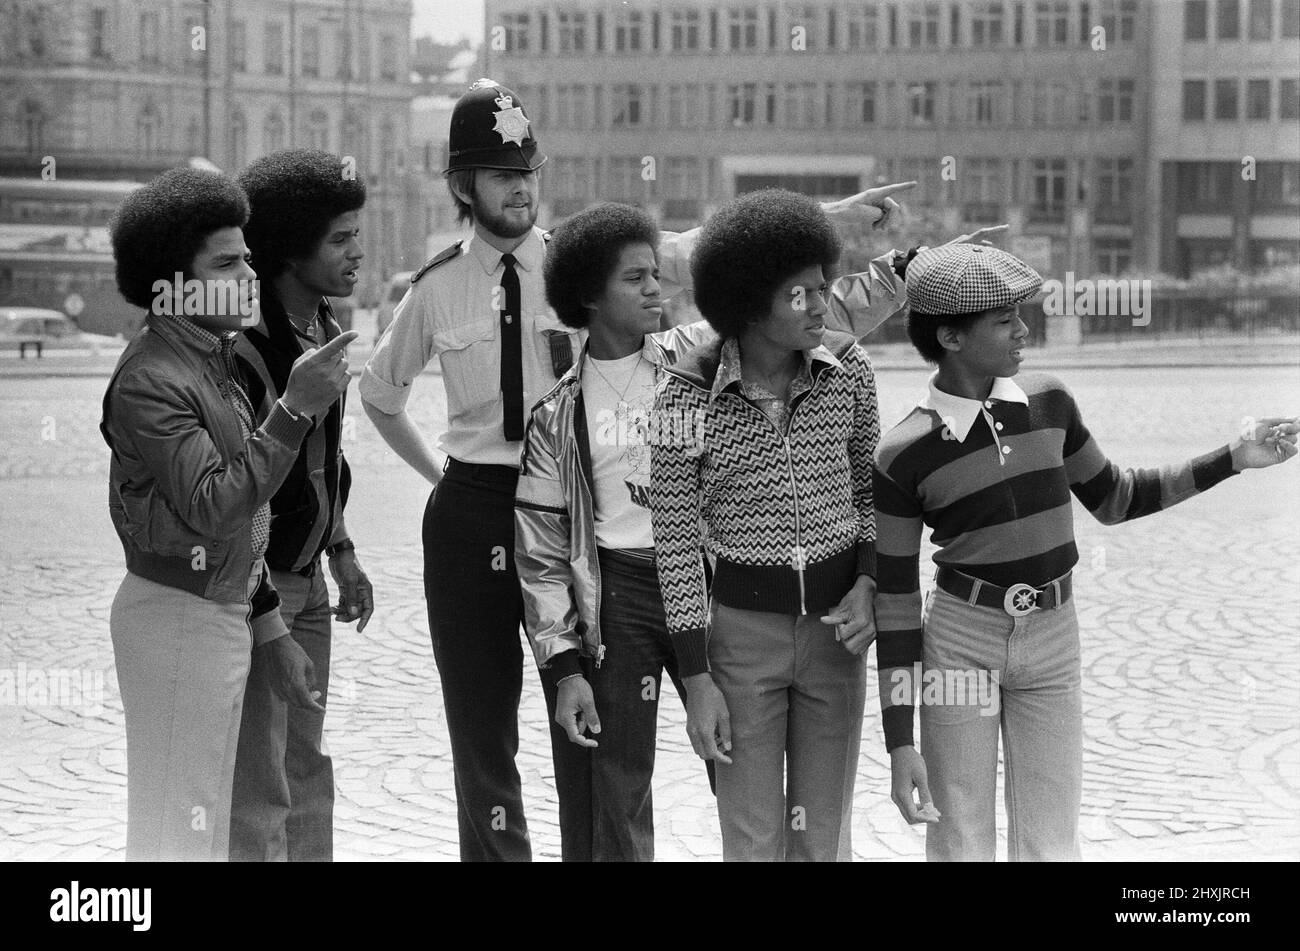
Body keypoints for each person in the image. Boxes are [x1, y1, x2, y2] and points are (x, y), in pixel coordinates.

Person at [360, 78, 915, 861]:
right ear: (463, 186)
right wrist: (443, 479)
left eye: (528, 173)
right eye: (500, 175)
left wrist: (827, 220)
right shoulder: (435, 288)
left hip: (609, 523)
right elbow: (380, 396)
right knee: (482, 726)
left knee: (611, 742)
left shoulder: (583, 267)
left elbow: (727, 271)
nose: (520, 189)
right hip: (482, 506)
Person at [872, 243, 1298, 861]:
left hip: (1053, 638)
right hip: (959, 642)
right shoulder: (903, 452)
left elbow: (1118, 497)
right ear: (951, 337)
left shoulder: (1049, 403)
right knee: (960, 834)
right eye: (1004, 320)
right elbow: (896, 599)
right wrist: (898, 740)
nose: (1025, 329)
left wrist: (1231, 458)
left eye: (1021, 313)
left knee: (1051, 842)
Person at [102, 167, 354, 861]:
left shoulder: (210, 361)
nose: (250, 271)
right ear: (174, 281)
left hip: (219, 610)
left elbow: (251, 519)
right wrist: (294, 407)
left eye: (246, 255)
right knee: (176, 830)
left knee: (204, 823)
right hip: (177, 614)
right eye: (228, 261)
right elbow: (215, 505)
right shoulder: (155, 376)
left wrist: (271, 628)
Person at [648, 189, 883, 862]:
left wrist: (867, 583)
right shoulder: (681, 399)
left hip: (836, 640)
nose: (819, 306)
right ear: (749, 302)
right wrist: (696, 682)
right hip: (740, 650)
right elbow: (673, 545)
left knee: (820, 842)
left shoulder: (851, 375)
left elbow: (869, 494)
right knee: (751, 843)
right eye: (798, 294)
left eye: (823, 287)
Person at [228, 149, 373, 862]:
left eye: (356, 233)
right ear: (288, 251)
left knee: (308, 766)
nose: (357, 251)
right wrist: (268, 620)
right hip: (262, 590)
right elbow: (236, 495)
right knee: (260, 784)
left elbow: (326, 460)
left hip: (309, 579)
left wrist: (342, 551)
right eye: (340, 238)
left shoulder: (325, 327)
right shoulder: (247, 349)